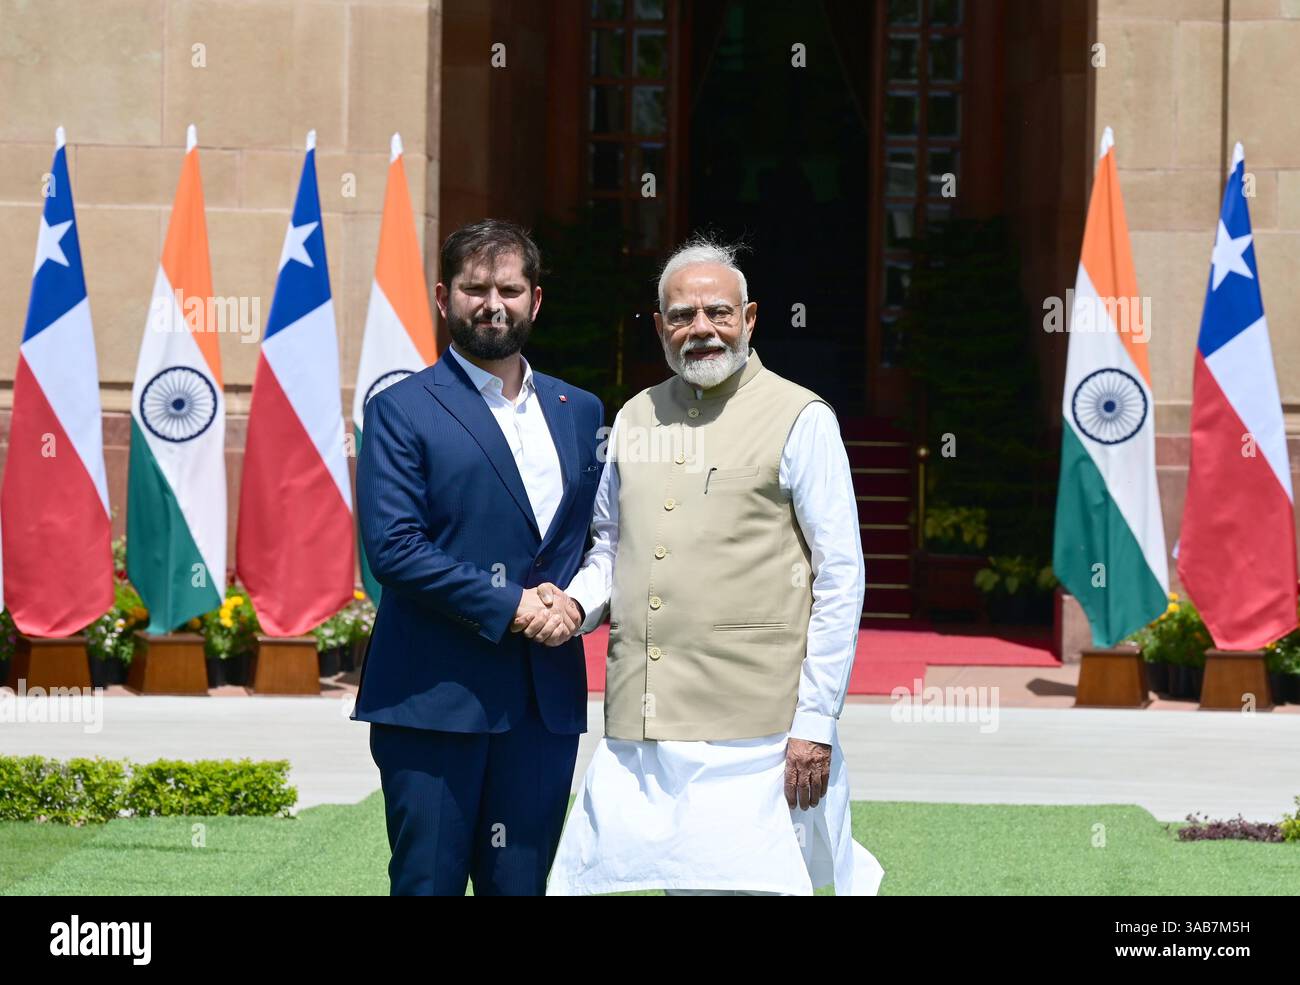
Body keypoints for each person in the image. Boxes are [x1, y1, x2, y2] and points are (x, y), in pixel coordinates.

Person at [533, 235, 884, 895]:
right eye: (682, 315)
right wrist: (577, 603)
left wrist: (816, 720)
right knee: (679, 886)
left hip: (759, 729)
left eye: (718, 312)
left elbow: (842, 575)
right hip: (647, 719)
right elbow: (612, 543)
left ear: (749, 319)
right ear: (661, 324)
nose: (701, 330)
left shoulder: (802, 418)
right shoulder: (636, 414)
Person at [352, 219, 600, 895]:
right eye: (475, 287)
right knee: (427, 883)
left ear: (536, 300)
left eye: (510, 288)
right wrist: (514, 604)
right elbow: (395, 549)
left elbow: (598, 539)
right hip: (433, 702)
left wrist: (575, 603)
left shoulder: (580, 412)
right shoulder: (402, 409)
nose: (493, 302)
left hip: (543, 706)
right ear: (443, 296)